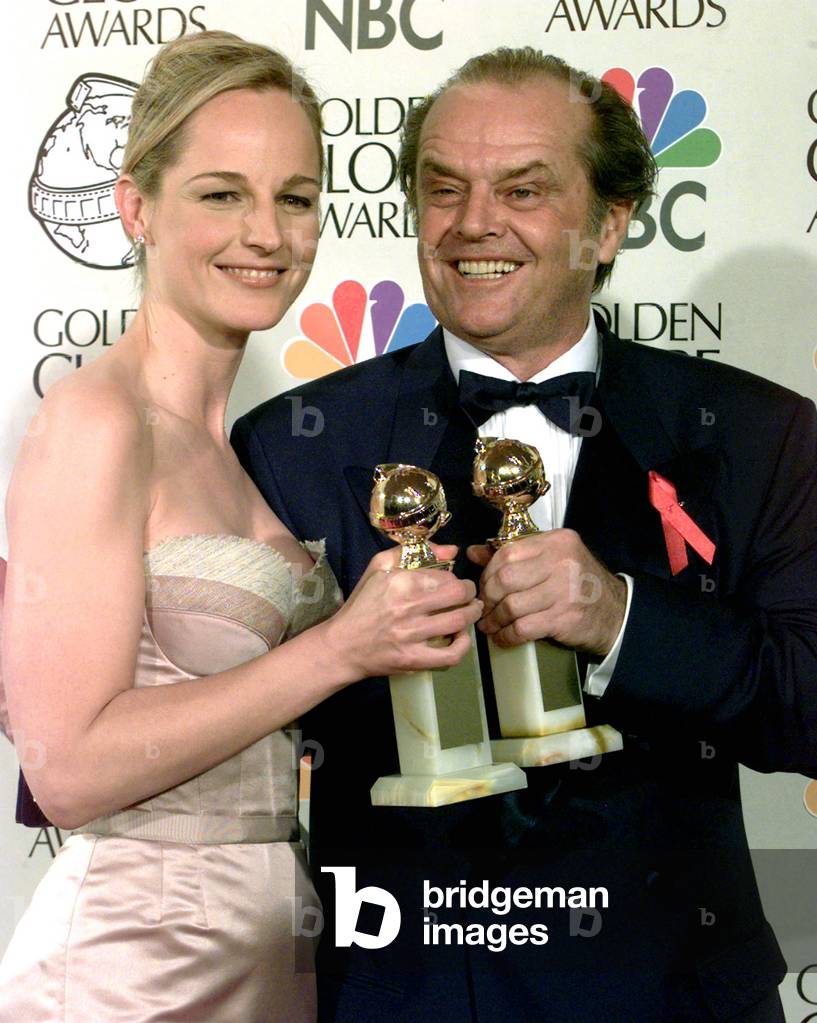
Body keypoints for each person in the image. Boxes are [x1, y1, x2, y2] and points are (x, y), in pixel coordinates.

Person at [231, 48, 817, 1023]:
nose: (473, 225)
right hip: (398, 995)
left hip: (674, 997)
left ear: (610, 222)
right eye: (444, 188)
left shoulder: (756, 435)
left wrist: (625, 620)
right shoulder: (296, 447)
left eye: (524, 189)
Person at [0, 31, 482, 1023]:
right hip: (133, 965)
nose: (265, 233)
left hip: (263, 945)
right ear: (136, 205)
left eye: (294, 198)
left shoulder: (239, 449)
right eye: (222, 193)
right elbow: (68, 769)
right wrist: (341, 647)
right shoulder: (97, 422)